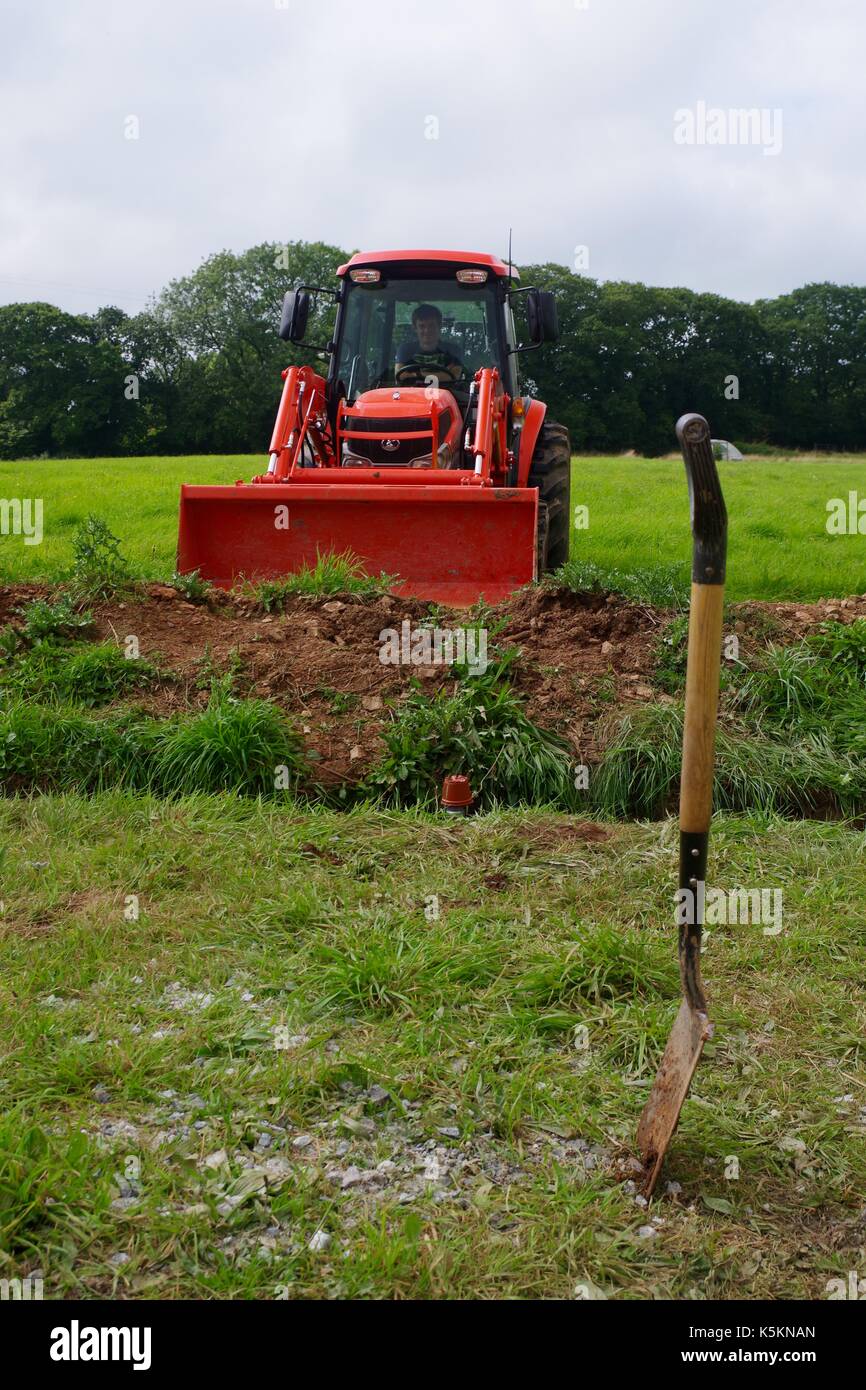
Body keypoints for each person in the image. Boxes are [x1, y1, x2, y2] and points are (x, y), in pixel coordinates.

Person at [395, 304, 464, 383]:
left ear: (439, 326)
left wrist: (414, 375)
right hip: (410, 394)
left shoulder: (453, 350)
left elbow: (454, 377)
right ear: (415, 328)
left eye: (431, 325)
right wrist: (441, 375)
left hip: (448, 394)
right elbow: (400, 376)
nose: (427, 330)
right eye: (422, 326)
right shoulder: (405, 350)